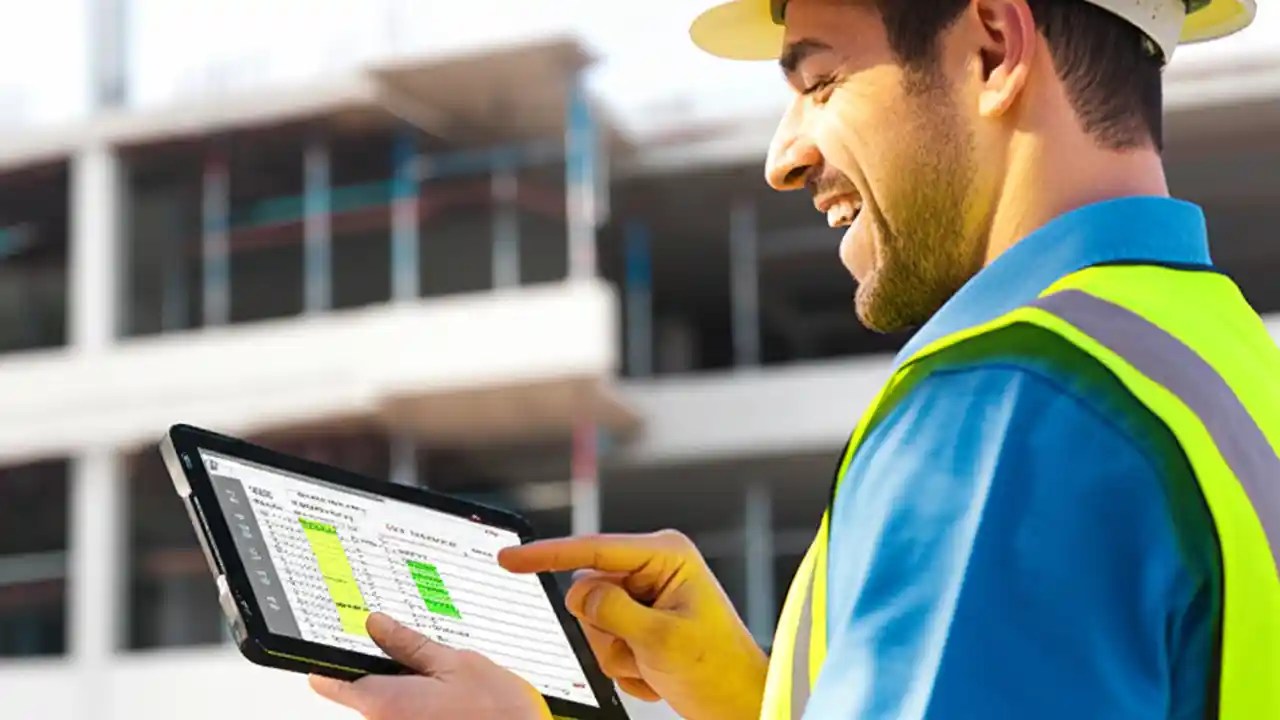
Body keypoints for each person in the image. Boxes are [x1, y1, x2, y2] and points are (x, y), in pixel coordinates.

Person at [311, 0, 1280, 717]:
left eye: (818, 82)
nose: (783, 155)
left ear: (992, 46)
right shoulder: (1220, 359)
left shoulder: (1006, 406)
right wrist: (752, 693)